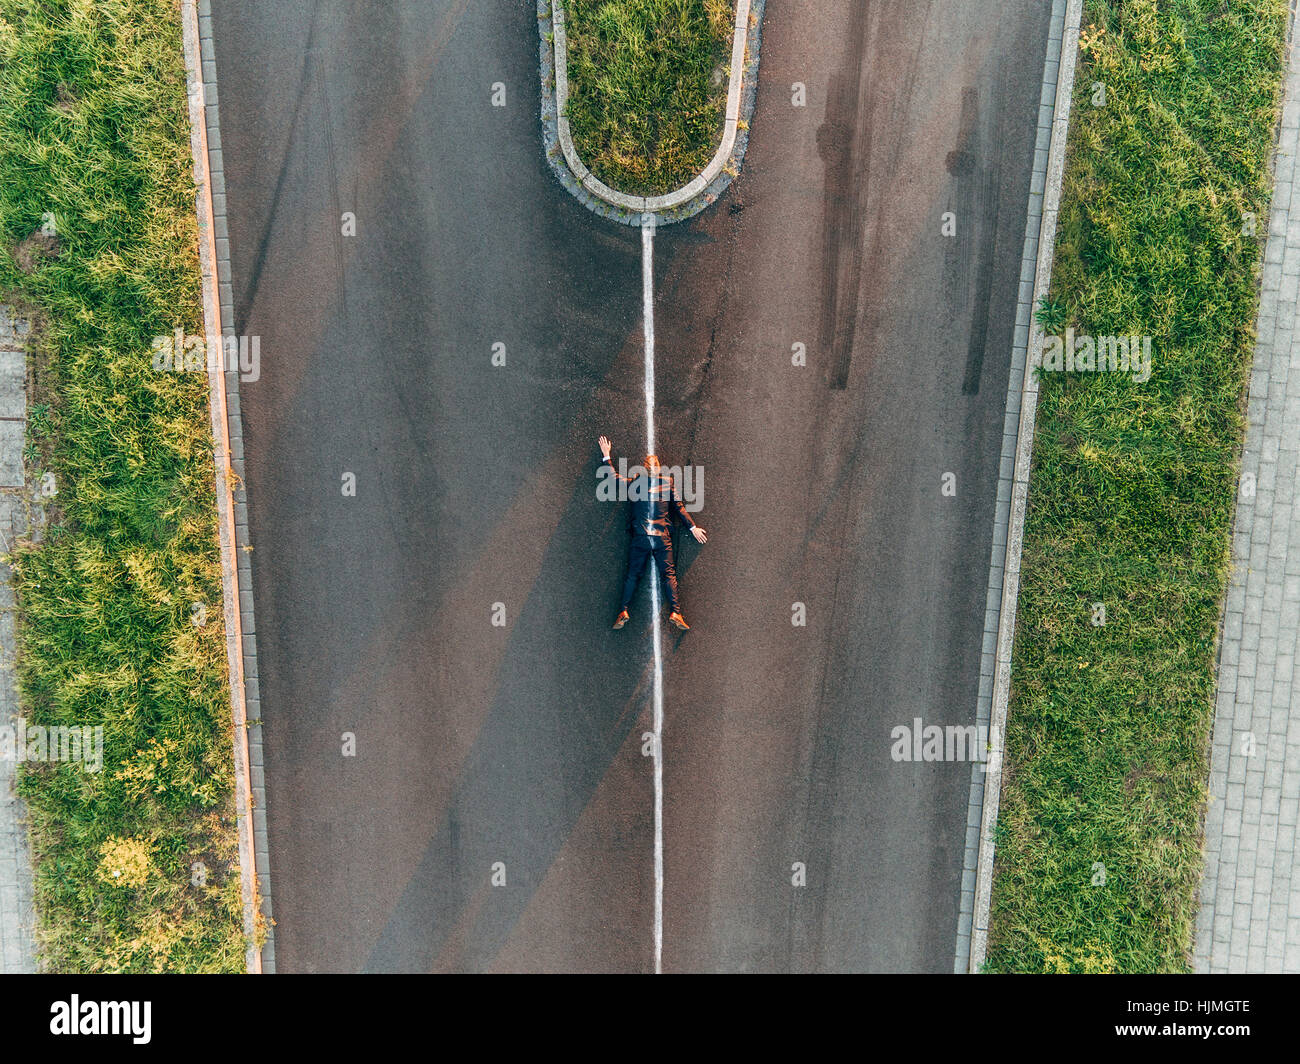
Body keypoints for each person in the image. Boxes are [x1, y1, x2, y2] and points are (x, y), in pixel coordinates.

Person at [599, 435, 707, 631]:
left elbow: (614, 479)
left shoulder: (635, 483)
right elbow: (679, 508)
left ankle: (623, 610)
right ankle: (676, 612)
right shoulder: (667, 483)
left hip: (641, 537)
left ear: (644, 468)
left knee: (632, 575)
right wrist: (693, 528)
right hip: (661, 538)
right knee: (669, 575)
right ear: (658, 468)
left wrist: (607, 456)